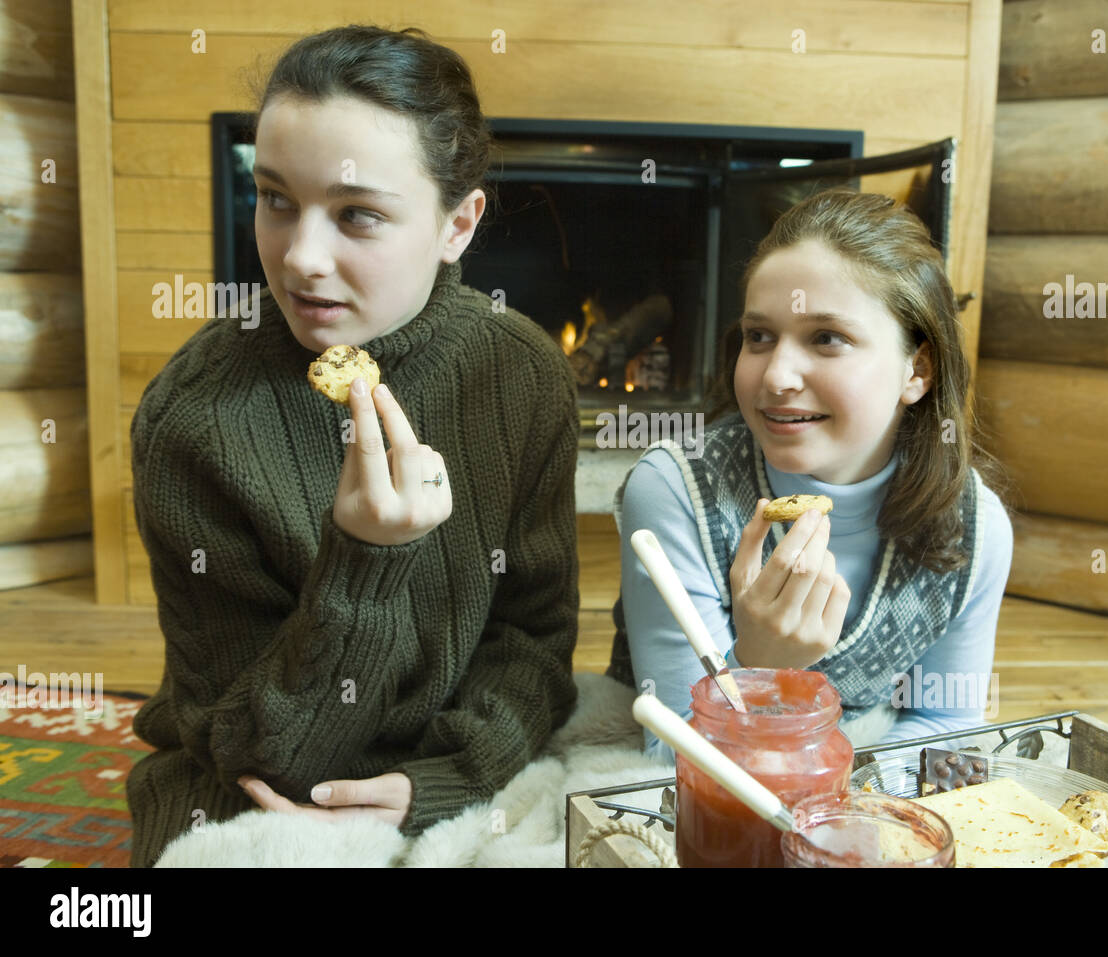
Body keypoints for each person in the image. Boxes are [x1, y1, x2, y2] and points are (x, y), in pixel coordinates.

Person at [126, 25, 580, 867]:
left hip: (458, 770)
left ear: (459, 223)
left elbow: (533, 638)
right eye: (275, 199)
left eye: (358, 215)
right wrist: (367, 557)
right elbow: (262, 751)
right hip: (250, 794)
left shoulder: (521, 374)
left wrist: (448, 778)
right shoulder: (195, 419)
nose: (300, 258)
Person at [608, 188, 1013, 761]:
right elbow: (672, 753)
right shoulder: (676, 491)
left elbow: (944, 727)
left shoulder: (977, 527)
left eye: (827, 338)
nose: (776, 377)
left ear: (917, 369)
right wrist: (760, 666)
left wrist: (849, 810)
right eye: (759, 336)